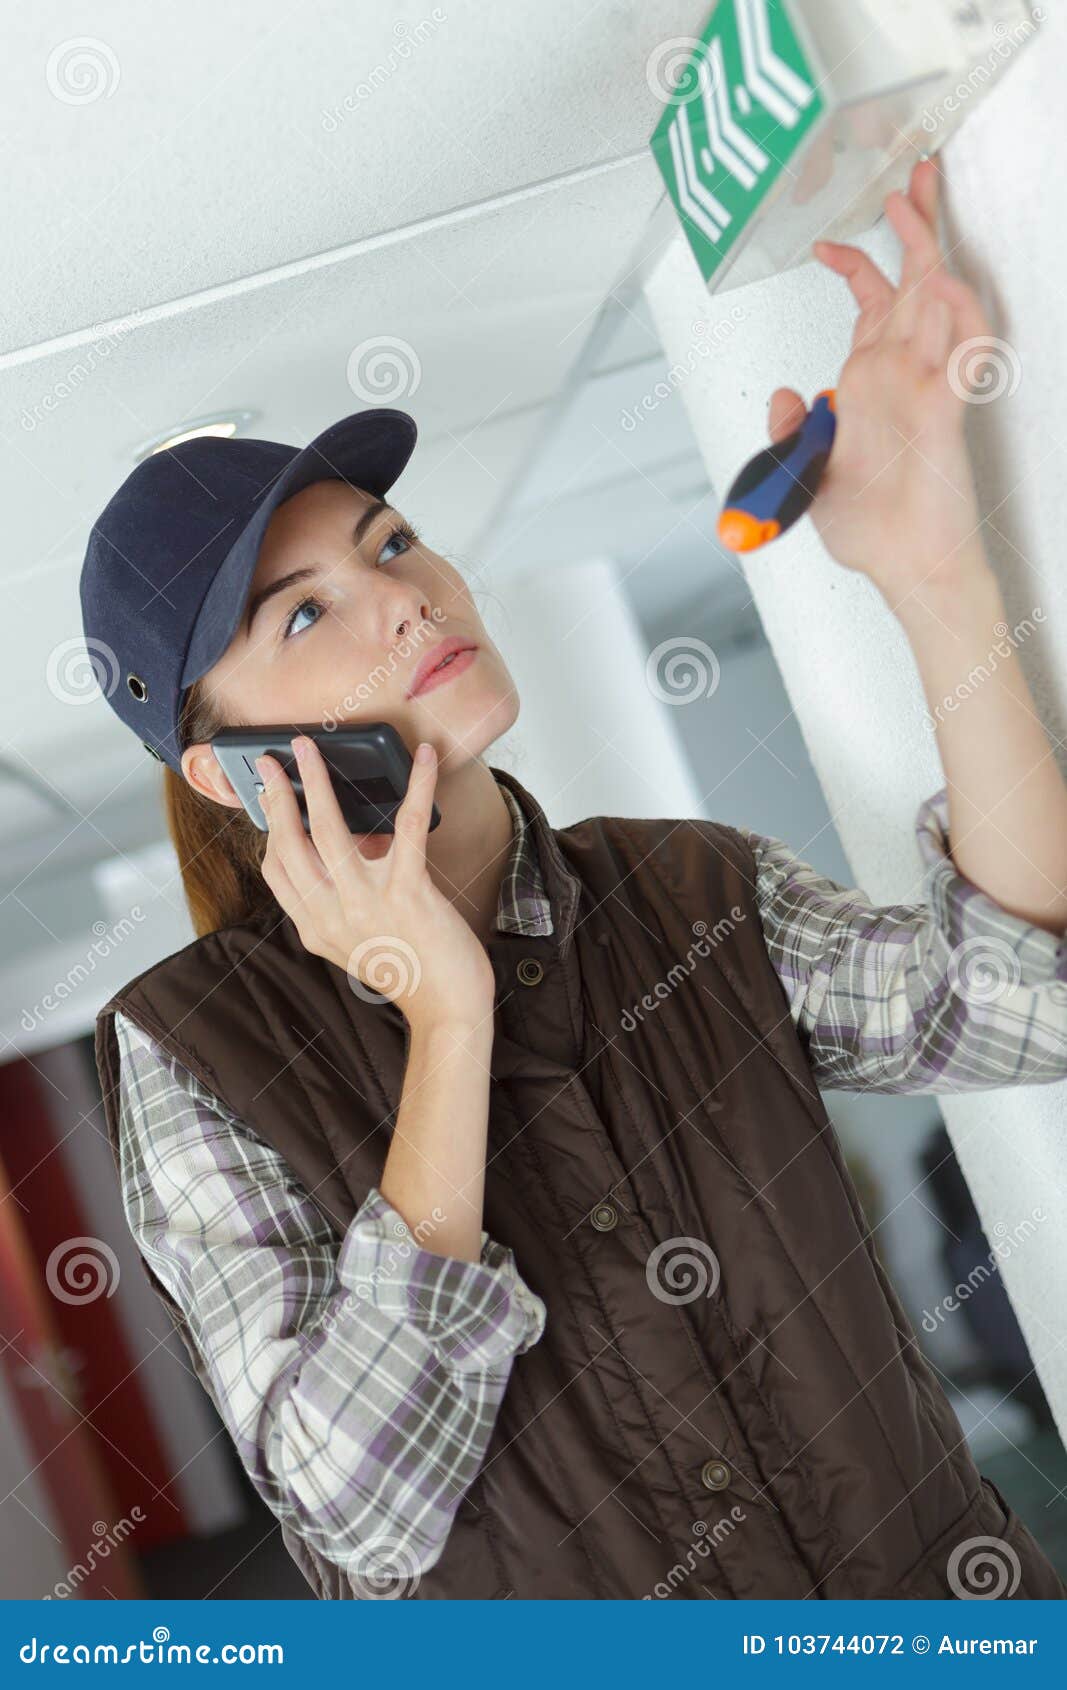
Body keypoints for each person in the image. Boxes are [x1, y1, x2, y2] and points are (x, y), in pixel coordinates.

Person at [81, 158, 1067, 1600]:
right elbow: (362, 1513)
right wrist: (449, 1025)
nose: (408, 596)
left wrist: (935, 580)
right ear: (230, 770)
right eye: (309, 613)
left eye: (393, 543)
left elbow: (1027, 1001)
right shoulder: (196, 1056)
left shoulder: (689, 893)